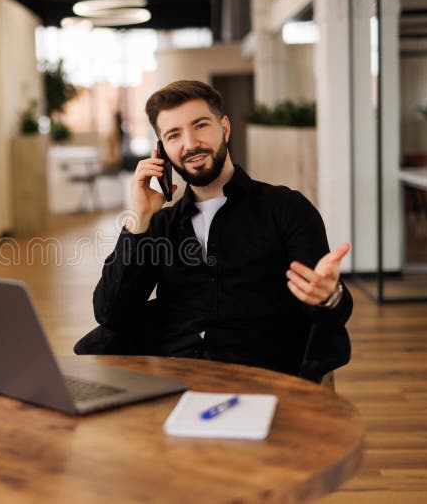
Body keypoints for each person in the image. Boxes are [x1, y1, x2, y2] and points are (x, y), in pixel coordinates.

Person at [75, 80, 352, 383]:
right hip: (175, 383)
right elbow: (111, 314)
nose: (190, 143)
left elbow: (330, 306)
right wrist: (138, 219)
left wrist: (328, 295)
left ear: (225, 128)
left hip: (261, 382)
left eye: (200, 125)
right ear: (162, 152)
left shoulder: (286, 209)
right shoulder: (159, 226)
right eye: (174, 135)